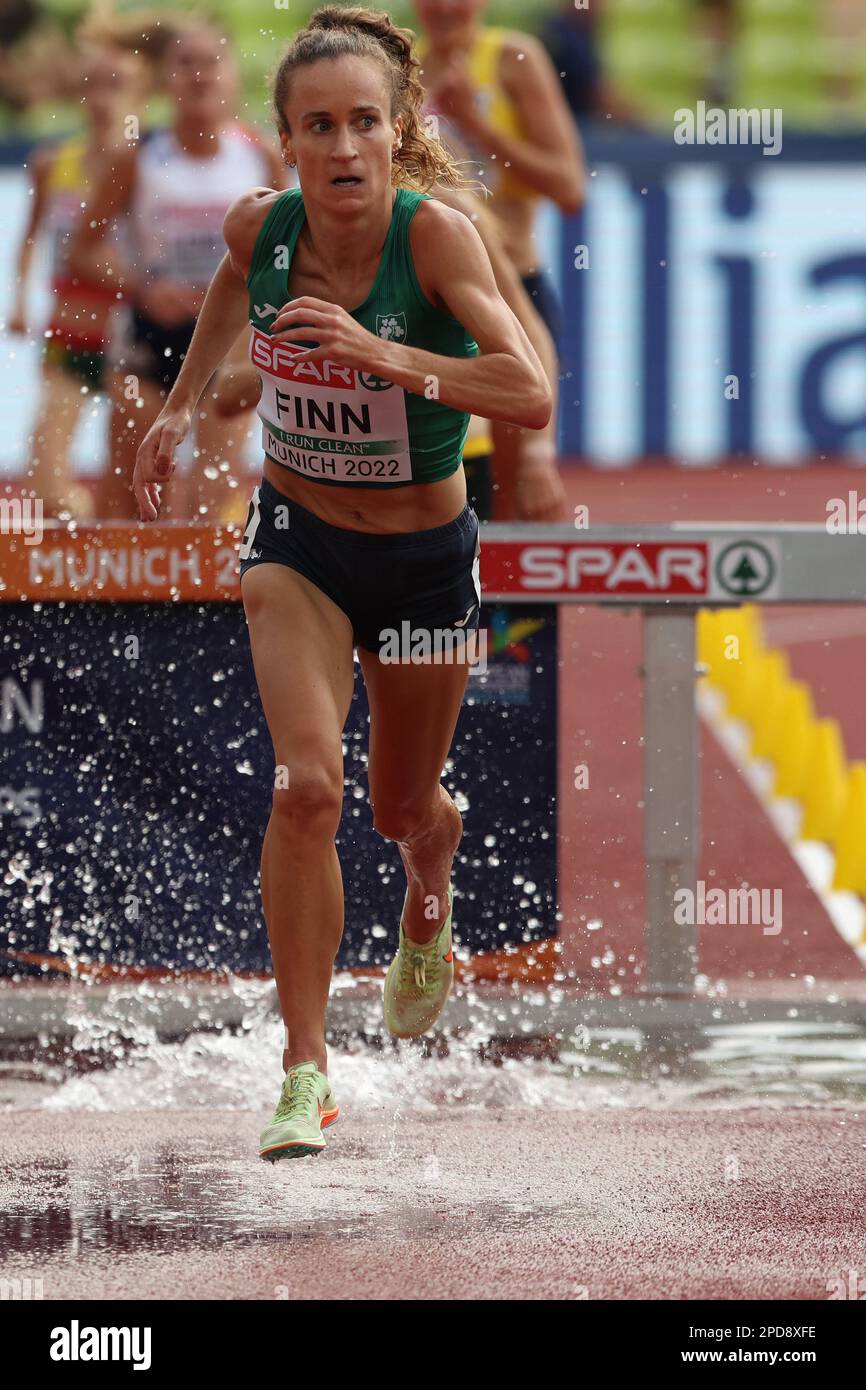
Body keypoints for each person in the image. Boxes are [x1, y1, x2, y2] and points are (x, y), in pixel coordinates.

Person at [132, 6, 551, 1162]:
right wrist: (178, 409)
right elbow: (230, 286)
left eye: (364, 121)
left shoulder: (438, 240)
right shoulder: (258, 229)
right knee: (306, 789)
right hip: (298, 544)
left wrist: (389, 359)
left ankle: (431, 882)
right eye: (318, 125)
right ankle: (304, 1069)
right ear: (287, 143)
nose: (343, 146)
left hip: (422, 568)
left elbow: (526, 394)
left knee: (398, 808)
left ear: (396, 126)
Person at [210, 178, 565, 520]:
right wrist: (315, 357)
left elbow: (530, 342)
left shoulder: (446, 220)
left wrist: (537, 453)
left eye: (365, 123)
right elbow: (226, 394)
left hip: (446, 467)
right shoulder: (295, 239)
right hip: (321, 495)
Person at [68, 17, 284, 521]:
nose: (199, 76)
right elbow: (82, 250)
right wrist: (144, 288)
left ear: (233, 76)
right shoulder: (138, 158)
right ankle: (117, 594)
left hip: (228, 340)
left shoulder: (260, 157)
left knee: (212, 491)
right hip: (149, 333)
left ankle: (202, 594)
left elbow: (289, 255)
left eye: (211, 63)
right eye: (185, 64)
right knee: (134, 490)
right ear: (166, 79)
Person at [413, 0, 584, 518]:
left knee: (519, 497)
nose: (445, 7)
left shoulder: (513, 59)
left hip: (511, 287)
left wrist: (476, 124)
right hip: (434, 296)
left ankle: (529, 601)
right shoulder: (402, 70)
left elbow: (570, 187)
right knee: (443, 488)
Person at [8, 41, 144, 519]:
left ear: (139, 93)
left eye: (116, 85)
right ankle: (81, 542)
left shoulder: (148, 165)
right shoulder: (53, 162)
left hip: (130, 341)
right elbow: (29, 238)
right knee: (43, 474)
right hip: (70, 334)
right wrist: (20, 300)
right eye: (92, 87)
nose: (103, 99)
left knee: (131, 477)